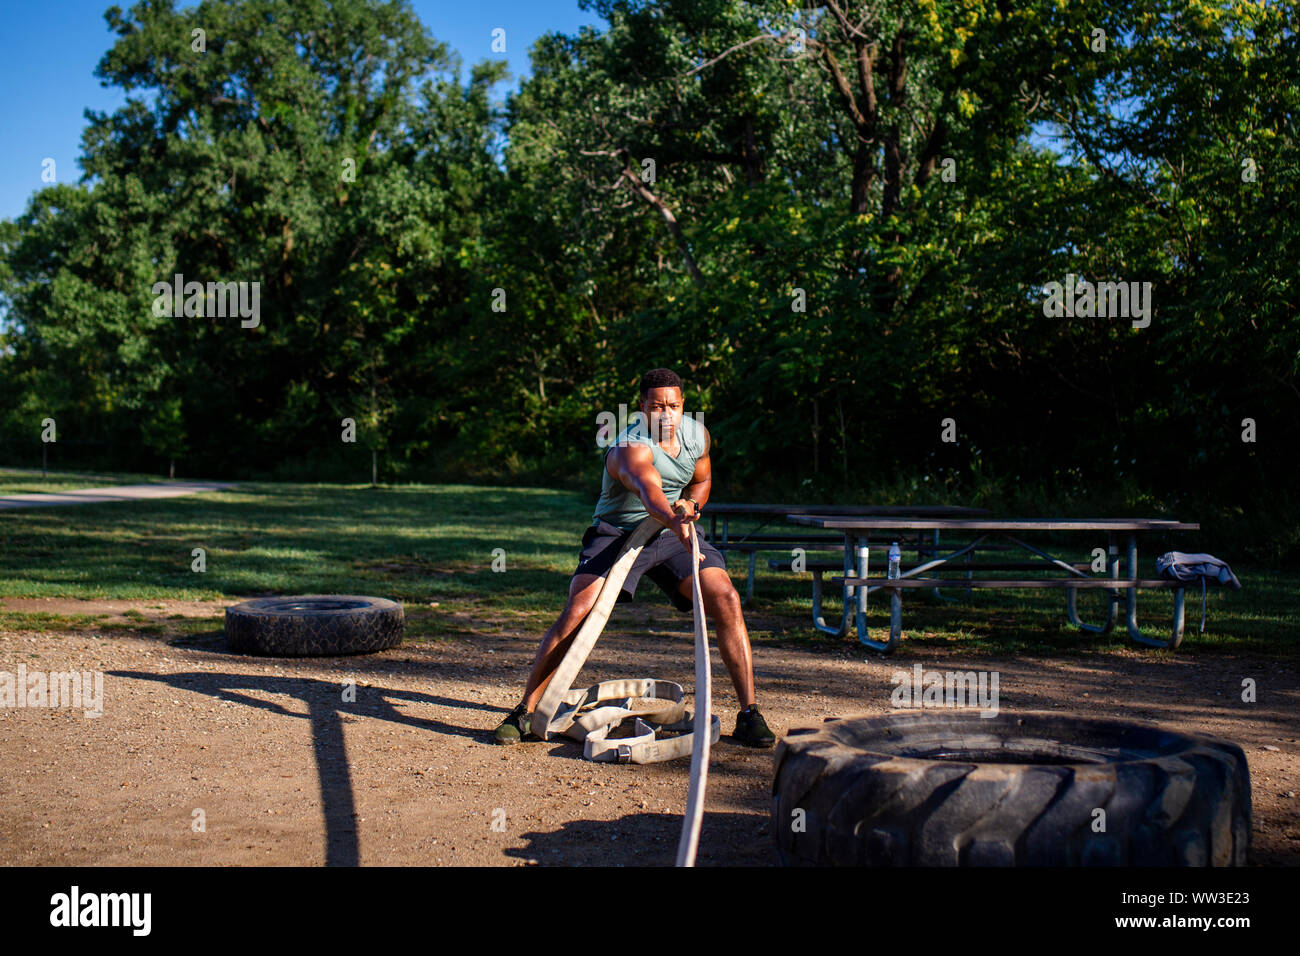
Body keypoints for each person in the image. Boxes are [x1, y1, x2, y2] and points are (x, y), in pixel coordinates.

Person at [493, 367, 776, 748]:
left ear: (683, 405)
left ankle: (749, 714)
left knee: (725, 597)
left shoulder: (697, 435)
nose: (666, 415)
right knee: (579, 611)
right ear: (642, 407)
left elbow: (702, 480)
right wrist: (674, 517)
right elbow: (648, 490)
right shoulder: (630, 446)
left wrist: (691, 504)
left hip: (671, 533)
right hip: (618, 534)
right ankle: (524, 711)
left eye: (673, 406)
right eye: (657, 406)